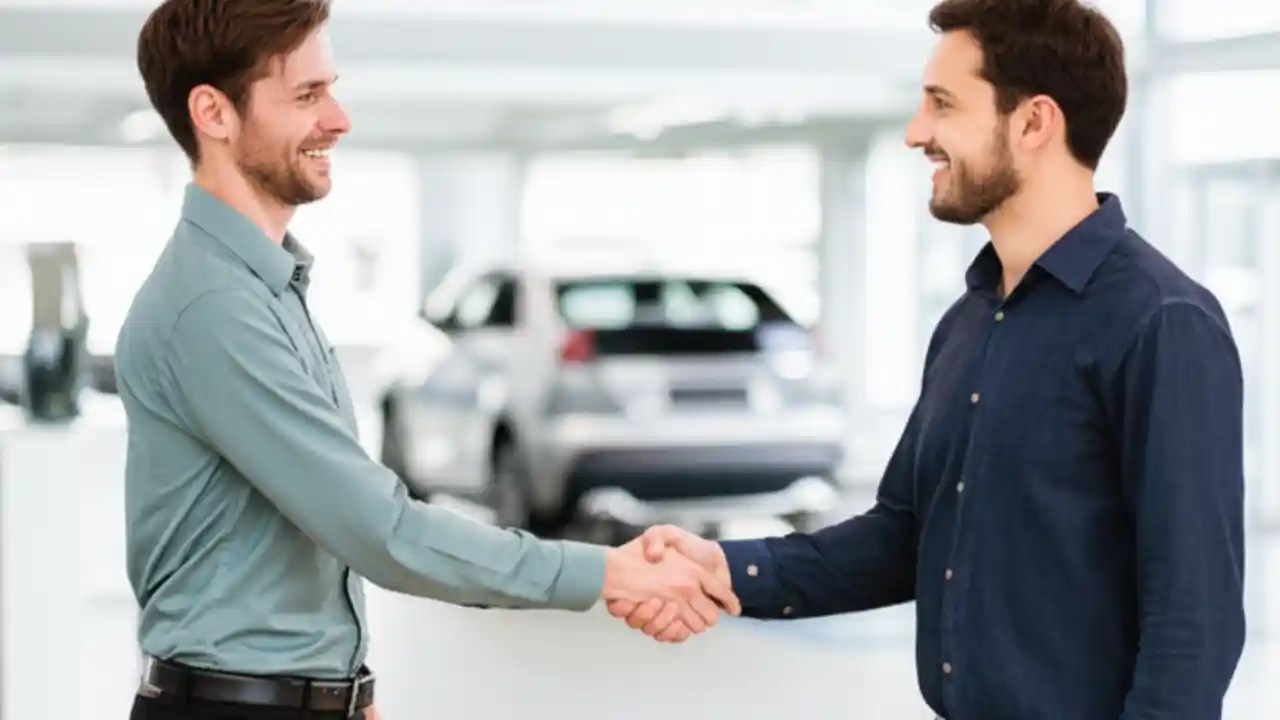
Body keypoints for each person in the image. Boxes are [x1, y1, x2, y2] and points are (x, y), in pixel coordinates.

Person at [610, 0, 1247, 717]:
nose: (918, 134)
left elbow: (1194, 623)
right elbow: (906, 534)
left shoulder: (1162, 323)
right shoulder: (971, 320)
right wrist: (726, 567)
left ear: (1034, 122)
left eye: (942, 105)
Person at [118, 2, 739, 719]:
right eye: (308, 95)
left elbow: (289, 539)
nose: (340, 119)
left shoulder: (264, 286)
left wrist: (342, 690)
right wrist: (609, 572)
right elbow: (382, 531)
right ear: (214, 113)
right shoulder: (214, 308)